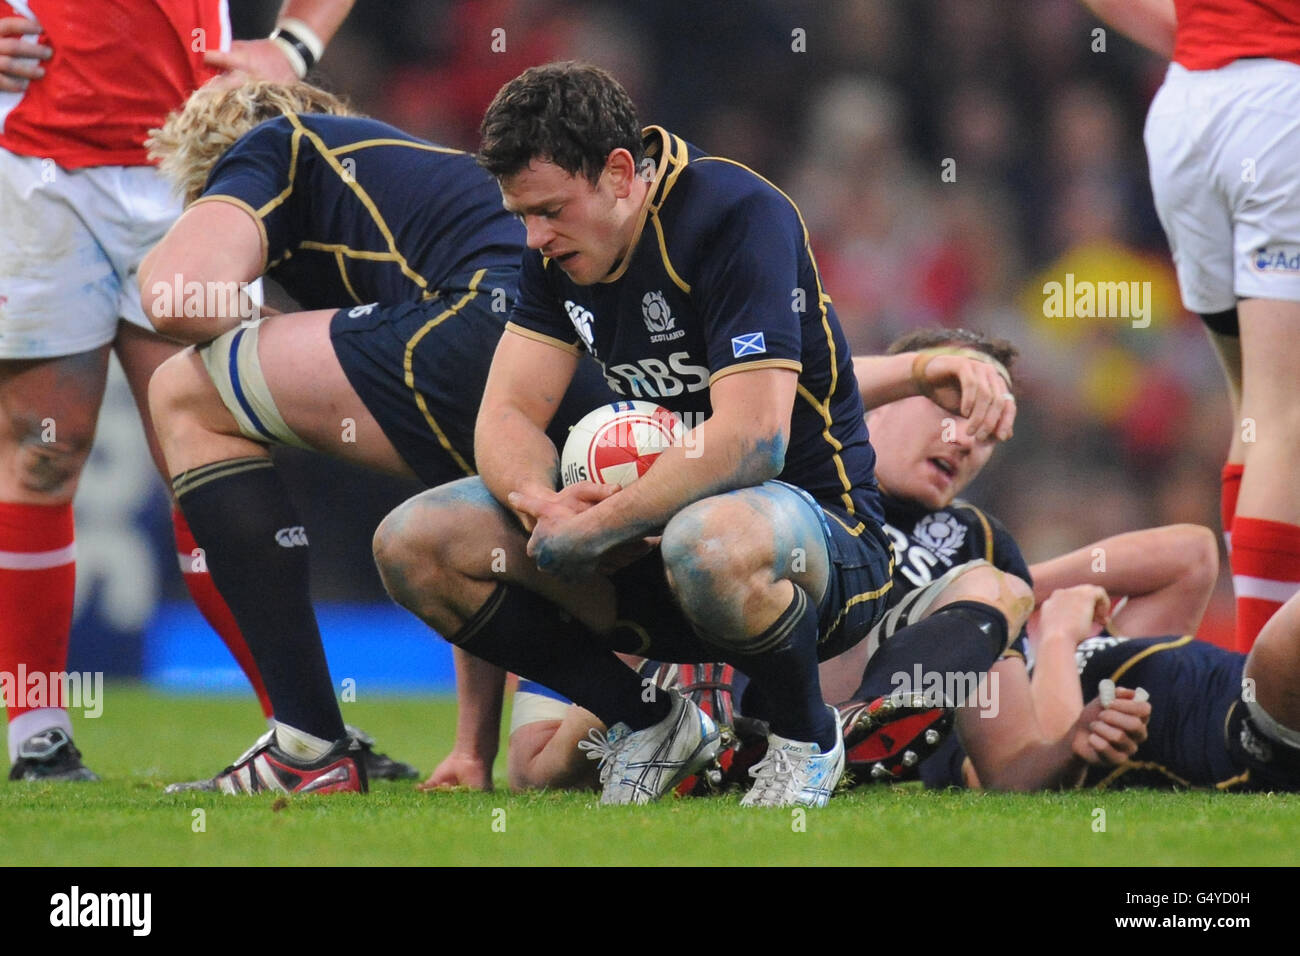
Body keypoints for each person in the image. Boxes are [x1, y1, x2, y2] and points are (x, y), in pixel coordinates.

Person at [373, 66, 1024, 809]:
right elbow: (507, 416)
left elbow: (753, 443)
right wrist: (540, 505)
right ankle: (651, 722)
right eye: (521, 215)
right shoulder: (552, 256)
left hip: (817, 546)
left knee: (705, 539)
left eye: (549, 210)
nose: (534, 236)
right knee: (415, 540)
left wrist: (597, 527)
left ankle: (808, 738)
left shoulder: (735, 214)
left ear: (621, 173)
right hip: (653, 548)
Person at [141, 79, 617, 794]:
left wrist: (258, 329)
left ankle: (305, 746)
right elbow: (472, 517)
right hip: (579, 382)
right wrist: (470, 748)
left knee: (181, 390)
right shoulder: (414, 215)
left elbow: (172, 296)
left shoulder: (276, 146)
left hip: (485, 329)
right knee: (540, 766)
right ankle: (675, 701)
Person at [0, 0, 355, 782]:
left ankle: (308, 732)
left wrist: (295, 44)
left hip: (193, 158)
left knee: (213, 449)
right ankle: (38, 738)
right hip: (33, 159)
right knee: (42, 450)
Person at [1079, 0, 1300, 652]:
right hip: (1280, 104)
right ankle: (1275, 698)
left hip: (1188, 107)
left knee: (1256, 409)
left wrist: (1209, 33)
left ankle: (1255, 674)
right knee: (1286, 413)